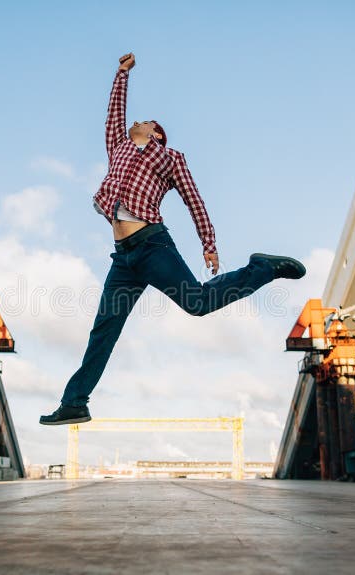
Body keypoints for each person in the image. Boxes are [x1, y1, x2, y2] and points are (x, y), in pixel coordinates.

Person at [40, 53, 305, 425]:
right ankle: (75, 402)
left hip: (153, 245)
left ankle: (261, 269)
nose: (137, 121)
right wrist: (121, 74)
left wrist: (208, 243)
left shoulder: (168, 158)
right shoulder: (118, 147)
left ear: (156, 134)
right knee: (104, 329)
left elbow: (193, 198)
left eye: (145, 122)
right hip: (124, 258)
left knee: (196, 303)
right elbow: (113, 114)